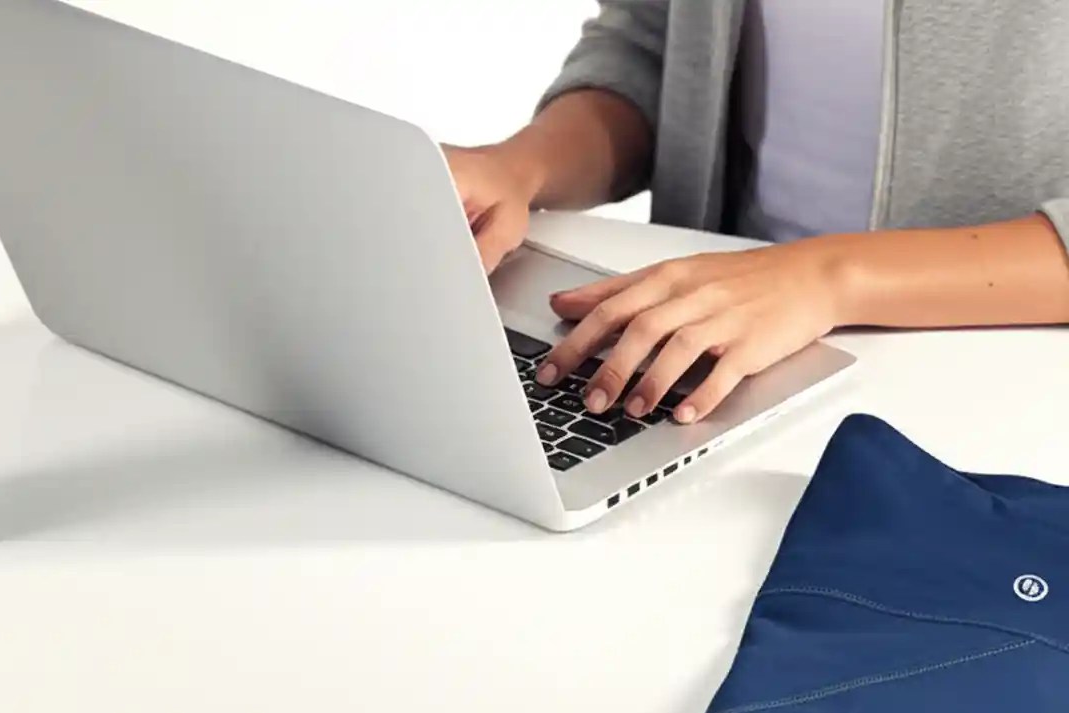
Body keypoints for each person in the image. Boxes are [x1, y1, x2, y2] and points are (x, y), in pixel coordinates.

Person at [445, 0, 1069, 425]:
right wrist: (522, 167)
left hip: (996, 381)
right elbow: (657, 51)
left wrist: (826, 278)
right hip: (726, 344)